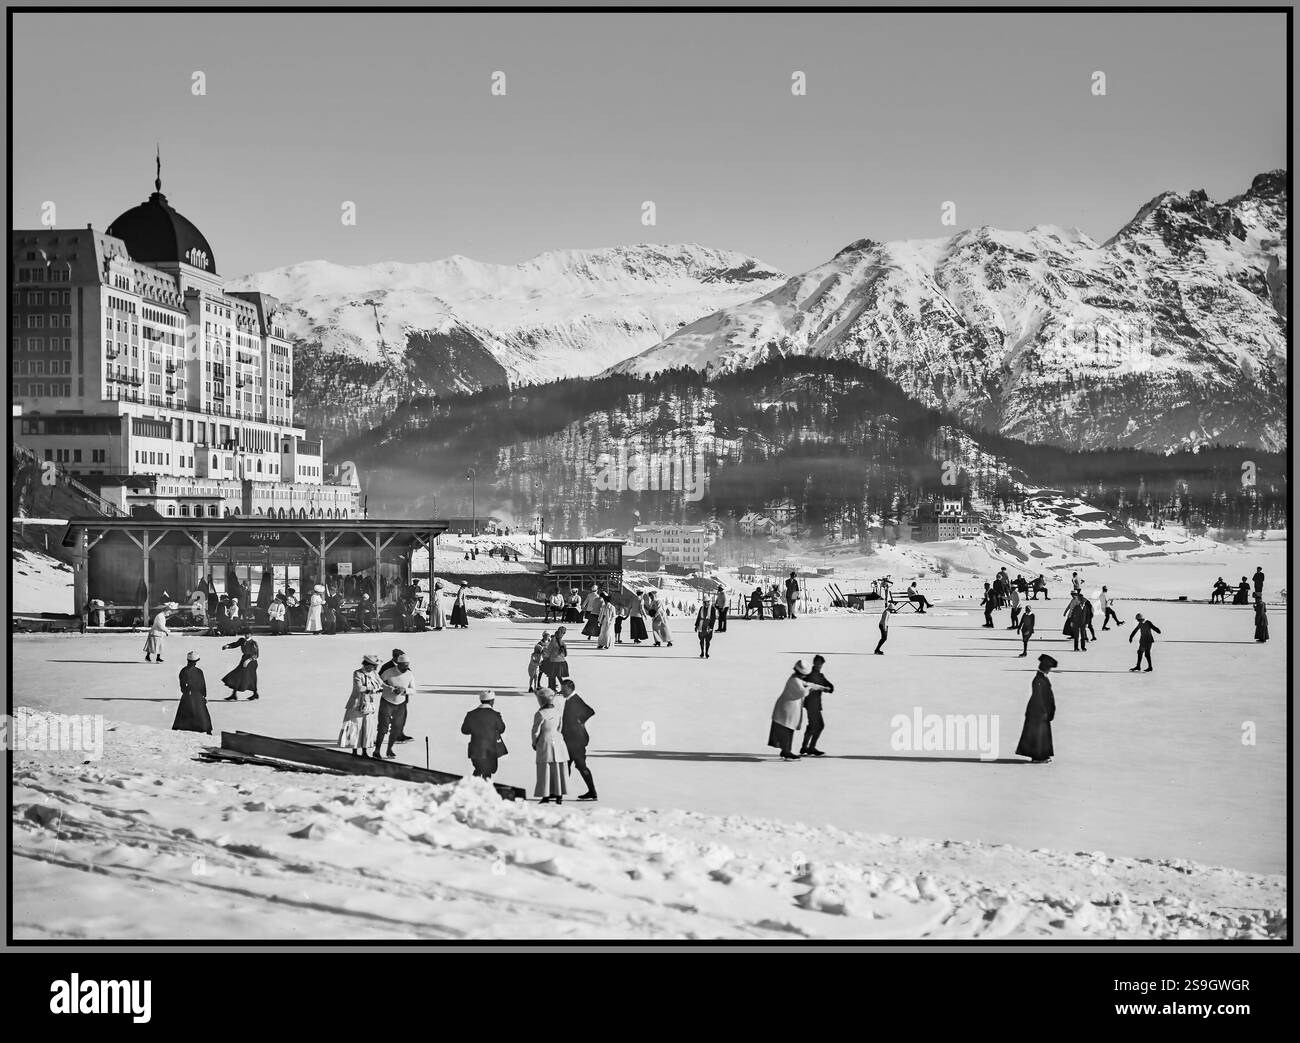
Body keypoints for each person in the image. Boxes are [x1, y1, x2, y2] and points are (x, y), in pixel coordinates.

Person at [768, 661, 826, 761]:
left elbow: (808, 684)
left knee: (789, 730)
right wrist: (809, 688)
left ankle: (786, 750)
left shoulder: (797, 679)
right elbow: (803, 692)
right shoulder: (794, 681)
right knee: (785, 731)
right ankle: (786, 752)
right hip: (785, 710)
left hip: (790, 710)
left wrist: (821, 687)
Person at [559, 678, 597, 800]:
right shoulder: (570, 700)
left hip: (576, 741)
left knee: (580, 766)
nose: (561, 691)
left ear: (570, 689)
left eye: (563, 689)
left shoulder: (575, 700)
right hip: (570, 740)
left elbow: (590, 711)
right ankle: (560, 792)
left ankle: (592, 792)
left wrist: (580, 721)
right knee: (566, 765)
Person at [1015, 654, 1057, 764]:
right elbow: (1039, 697)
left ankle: (1041, 755)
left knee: (1041, 735)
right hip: (1038, 712)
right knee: (1037, 735)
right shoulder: (1039, 679)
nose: (1050, 670)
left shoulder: (1041, 678)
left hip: (1040, 711)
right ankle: (1037, 756)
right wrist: (1044, 711)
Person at [338, 654, 382, 756]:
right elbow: (360, 688)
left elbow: (382, 684)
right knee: (355, 728)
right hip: (356, 705)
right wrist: (374, 690)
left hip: (368, 705)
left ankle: (365, 751)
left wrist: (391, 688)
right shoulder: (357, 673)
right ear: (367, 664)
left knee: (367, 728)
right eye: (373, 665)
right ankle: (354, 751)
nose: (375, 667)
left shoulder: (374, 673)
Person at [531, 688, 569, 803]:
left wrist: (534, 742)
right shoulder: (557, 712)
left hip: (544, 743)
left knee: (544, 769)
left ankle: (546, 795)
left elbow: (535, 731)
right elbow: (560, 728)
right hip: (558, 742)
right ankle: (559, 795)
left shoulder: (540, 714)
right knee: (558, 769)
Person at [375, 652, 414, 758]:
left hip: (401, 703)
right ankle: (377, 750)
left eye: (407, 665)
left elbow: (413, 690)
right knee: (383, 727)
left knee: (396, 727)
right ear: (398, 664)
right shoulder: (388, 671)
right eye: (404, 665)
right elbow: (378, 682)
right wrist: (388, 688)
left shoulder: (409, 673)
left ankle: (389, 750)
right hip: (387, 701)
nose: (406, 667)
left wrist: (404, 690)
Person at [461, 690, 507, 781]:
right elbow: (502, 729)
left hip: (475, 749)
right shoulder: (495, 715)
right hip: (491, 749)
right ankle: (484, 790)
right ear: (491, 701)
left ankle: (473, 787)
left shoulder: (471, 714)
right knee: (487, 772)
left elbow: (464, 730)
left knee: (478, 770)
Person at [800, 655, 834, 757]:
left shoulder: (820, 675)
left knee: (813, 726)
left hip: (815, 704)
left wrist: (828, 688)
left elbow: (831, 687)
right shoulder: (810, 674)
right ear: (814, 663)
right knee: (818, 726)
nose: (819, 665)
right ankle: (809, 747)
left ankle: (806, 747)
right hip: (811, 704)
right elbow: (804, 684)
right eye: (818, 663)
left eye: (821, 664)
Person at [173, 651, 212, 734]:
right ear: (196, 661)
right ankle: (206, 729)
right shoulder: (199, 671)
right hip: (198, 695)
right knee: (201, 713)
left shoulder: (183, 671)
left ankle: (181, 727)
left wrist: (186, 692)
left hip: (187, 695)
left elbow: (182, 685)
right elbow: (202, 685)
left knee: (184, 712)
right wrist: (204, 696)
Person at [220, 636, 260, 701]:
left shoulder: (253, 643)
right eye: (246, 634)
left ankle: (254, 693)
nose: (247, 635)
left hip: (252, 662)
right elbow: (235, 644)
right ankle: (234, 694)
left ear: (251, 634)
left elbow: (256, 655)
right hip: (244, 660)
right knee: (237, 675)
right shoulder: (242, 640)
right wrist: (227, 646)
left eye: (248, 634)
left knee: (251, 677)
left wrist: (248, 660)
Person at [544, 627, 569, 691]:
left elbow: (548, 652)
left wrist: (545, 656)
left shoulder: (553, 642)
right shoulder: (563, 643)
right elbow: (566, 654)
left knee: (551, 676)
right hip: (562, 662)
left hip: (553, 662)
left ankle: (552, 688)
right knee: (558, 676)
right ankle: (564, 688)